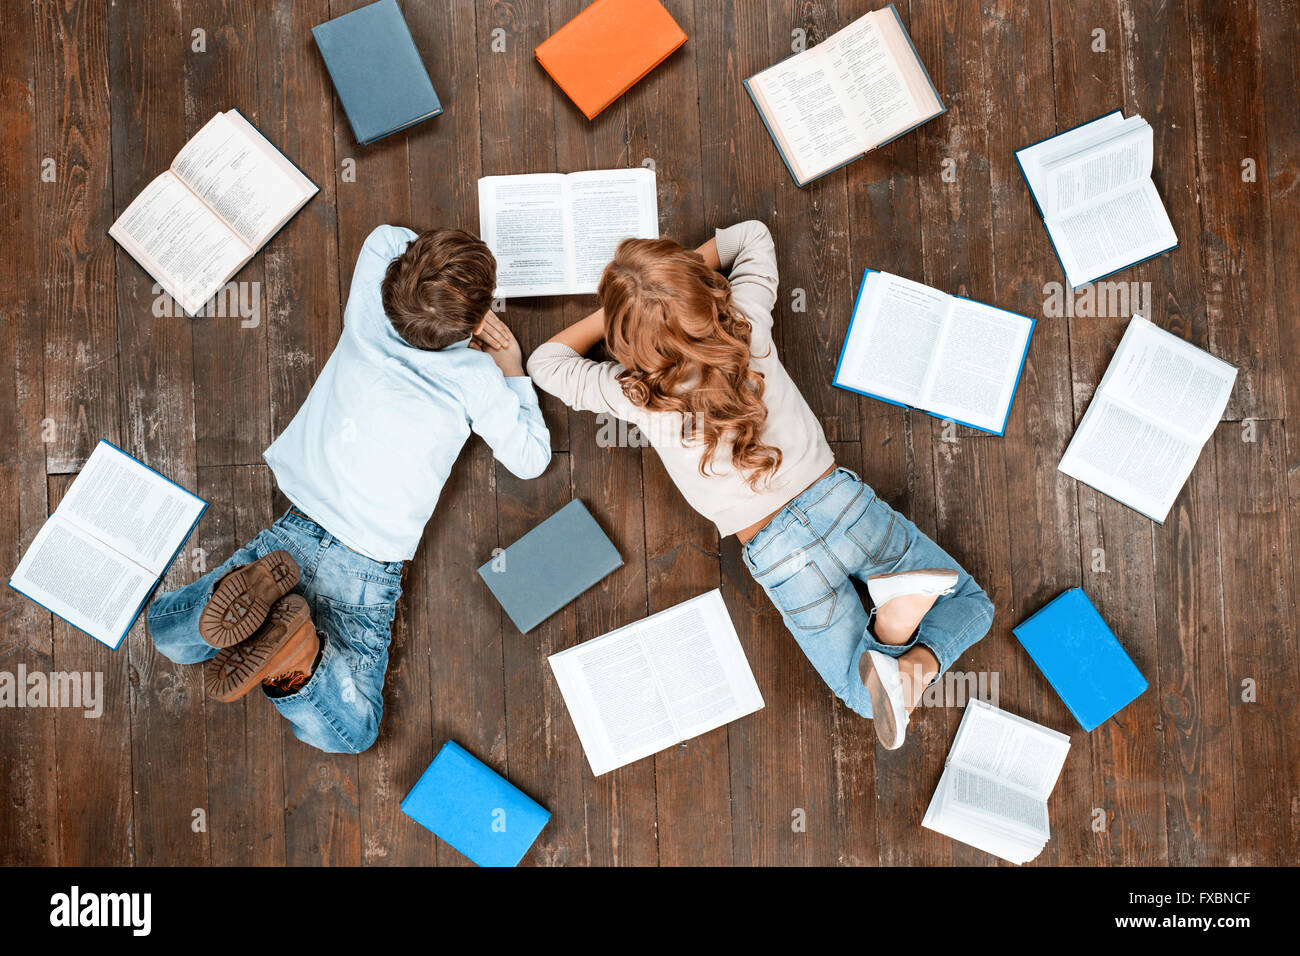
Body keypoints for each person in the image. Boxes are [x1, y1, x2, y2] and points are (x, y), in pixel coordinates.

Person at [526, 221, 993, 749]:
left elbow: (545, 362)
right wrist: (672, 285)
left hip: (775, 550)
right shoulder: (746, 324)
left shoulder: (632, 394)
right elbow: (751, 236)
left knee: (867, 697)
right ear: (703, 294)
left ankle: (892, 626)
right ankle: (895, 618)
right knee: (970, 604)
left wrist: (629, 311)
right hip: (841, 502)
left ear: (623, 338)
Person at [146, 225, 550, 753]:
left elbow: (384, 237)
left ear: (391, 287)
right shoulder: (476, 377)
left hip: (297, 527)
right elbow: (531, 459)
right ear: (473, 326)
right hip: (366, 566)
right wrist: (511, 369)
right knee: (353, 735)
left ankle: (273, 624)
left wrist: (435, 298)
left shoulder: (369, 316)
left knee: (167, 634)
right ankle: (297, 661)